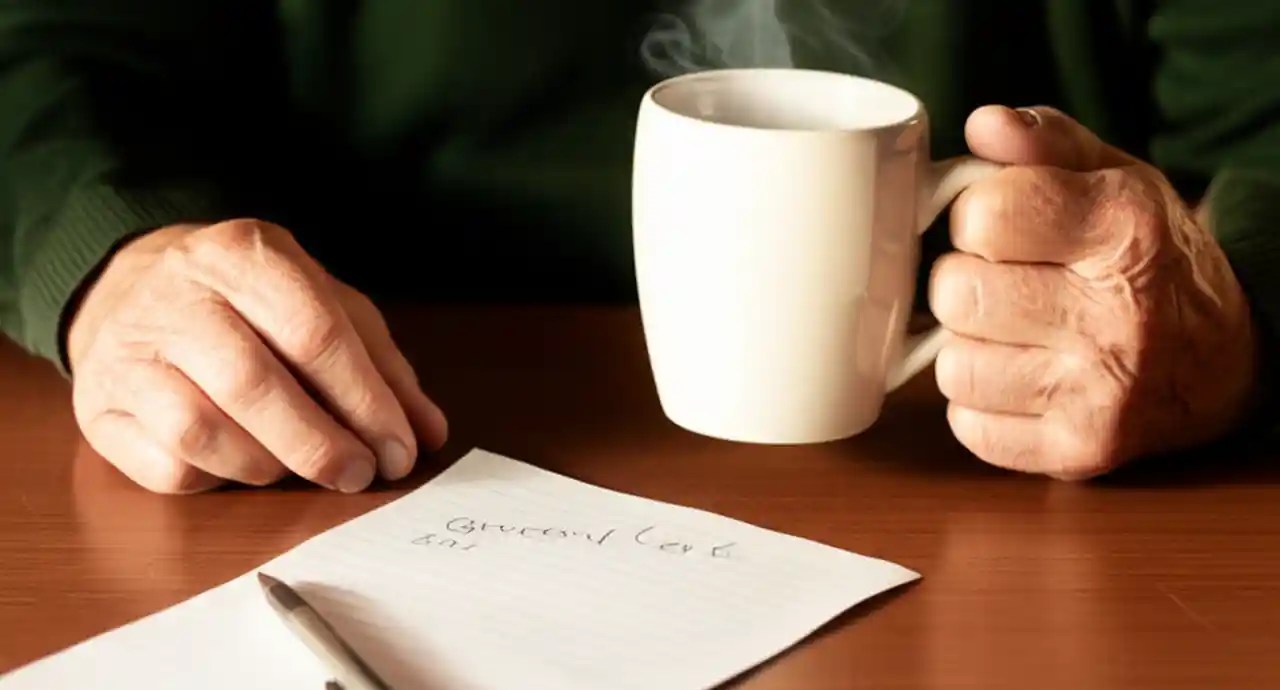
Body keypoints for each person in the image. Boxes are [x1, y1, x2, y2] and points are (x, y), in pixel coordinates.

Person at [1, 1, 1277, 493]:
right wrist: (106, 258)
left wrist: (1241, 302)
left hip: (1011, 511)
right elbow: (46, 52)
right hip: (374, 450)